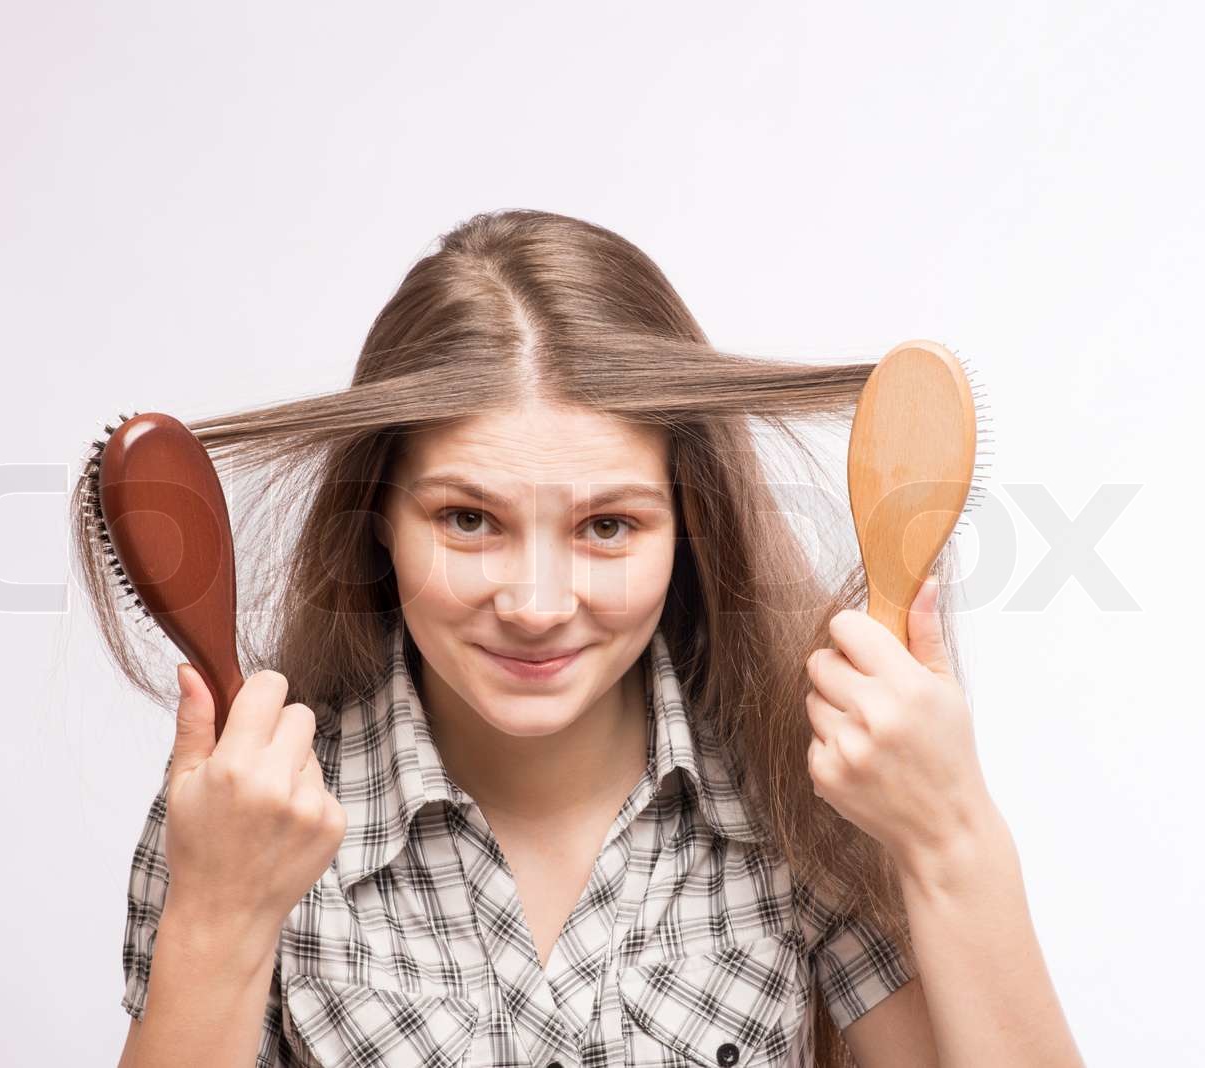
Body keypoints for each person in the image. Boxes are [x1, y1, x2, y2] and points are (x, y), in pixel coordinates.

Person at [83, 209, 1083, 1067]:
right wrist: (219, 913)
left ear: (688, 525)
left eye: (607, 526)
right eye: (468, 519)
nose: (535, 605)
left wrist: (952, 835)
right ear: (376, 514)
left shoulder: (798, 792)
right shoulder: (242, 818)